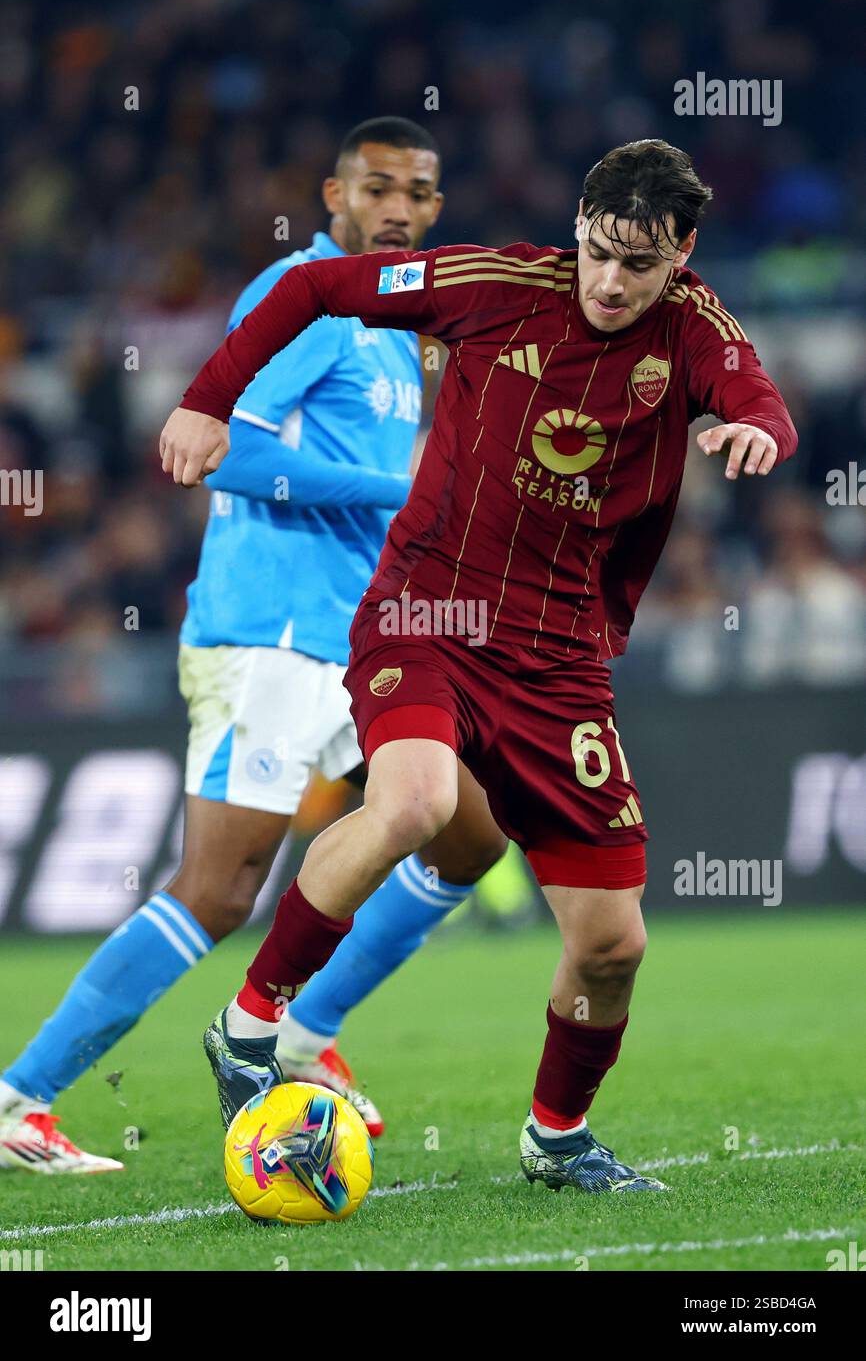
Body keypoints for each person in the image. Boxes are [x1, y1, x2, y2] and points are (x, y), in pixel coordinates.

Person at [160, 139, 797, 1193]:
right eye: (595, 250)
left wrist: (753, 432)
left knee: (610, 945)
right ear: (578, 225)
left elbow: (754, 393)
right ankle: (248, 1025)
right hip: (425, 616)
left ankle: (555, 1138)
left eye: (636, 265)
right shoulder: (492, 284)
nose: (607, 281)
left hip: (558, 666)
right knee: (409, 804)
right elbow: (319, 284)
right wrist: (206, 400)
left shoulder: (694, 330)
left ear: (679, 253)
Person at [0, 116, 506, 1174]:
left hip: (359, 639)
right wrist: (400, 489)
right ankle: (20, 1097)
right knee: (219, 890)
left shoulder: (395, 320)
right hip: (269, 635)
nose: (397, 209)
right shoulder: (306, 298)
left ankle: (304, 1032)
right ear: (333, 195)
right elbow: (223, 453)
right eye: (376, 190)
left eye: (416, 192)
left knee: (469, 836)